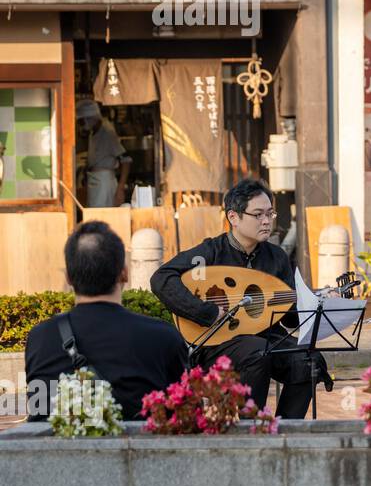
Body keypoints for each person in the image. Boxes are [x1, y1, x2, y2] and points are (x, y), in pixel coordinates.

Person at [151, 178, 332, 418]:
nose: (267, 221)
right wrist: (207, 312)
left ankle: (285, 430)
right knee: (259, 353)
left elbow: (288, 320)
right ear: (233, 218)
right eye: (258, 214)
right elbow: (161, 278)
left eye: (270, 213)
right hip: (216, 344)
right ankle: (251, 431)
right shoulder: (211, 252)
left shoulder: (276, 257)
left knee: (308, 360)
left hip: (266, 338)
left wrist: (312, 303)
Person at [26, 222, 187, 422]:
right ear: (124, 273)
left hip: (56, 451)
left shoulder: (40, 337)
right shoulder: (164, 336)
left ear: (68, 277)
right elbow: (184, 414)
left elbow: (39, 412)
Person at [76, 99, 131, 208]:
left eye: (82, 122)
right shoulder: (93, 132)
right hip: (94, 180)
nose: (81, 126)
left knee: (102, 216)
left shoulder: (107, 132)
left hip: (104, 182)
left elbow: (126, 160)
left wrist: (120, 189)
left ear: (90, 118)